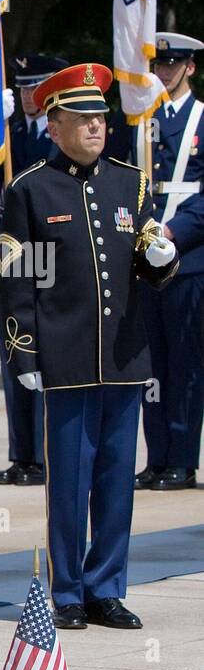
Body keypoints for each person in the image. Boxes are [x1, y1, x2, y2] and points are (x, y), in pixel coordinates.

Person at [0, 62, 178, 630]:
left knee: (118, 480)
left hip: (123, 356)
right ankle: (68, 592)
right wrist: (23, 353)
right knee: (71, 482)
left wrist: (161, 263)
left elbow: (145, 267)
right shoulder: (29, 191)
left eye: (100, 117)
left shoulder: (131, 182)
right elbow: (13, 279)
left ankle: (107, 588)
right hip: (66, 356)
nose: (97, 127)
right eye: (83, 118)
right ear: (54, 125)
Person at [126, 33, 204, 492]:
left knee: (186, 363)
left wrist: (174, 232)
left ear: (190, 68)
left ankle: (181, 458)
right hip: (144, 254)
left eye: (175, 63)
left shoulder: (202, 118)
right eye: (160, 63)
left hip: (189, 256)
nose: (165, 71)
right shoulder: (141, 119)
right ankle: (155, 457)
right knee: (149, 364)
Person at [0, 54, 67, 486]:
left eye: (34, 89)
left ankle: (49, 451)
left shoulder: (64, 136)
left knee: (50, 350)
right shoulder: (8, 133)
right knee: (14, 349)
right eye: (22, 89)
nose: (25, 97)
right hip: (10, 252)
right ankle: (24, 454)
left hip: (50, 251)